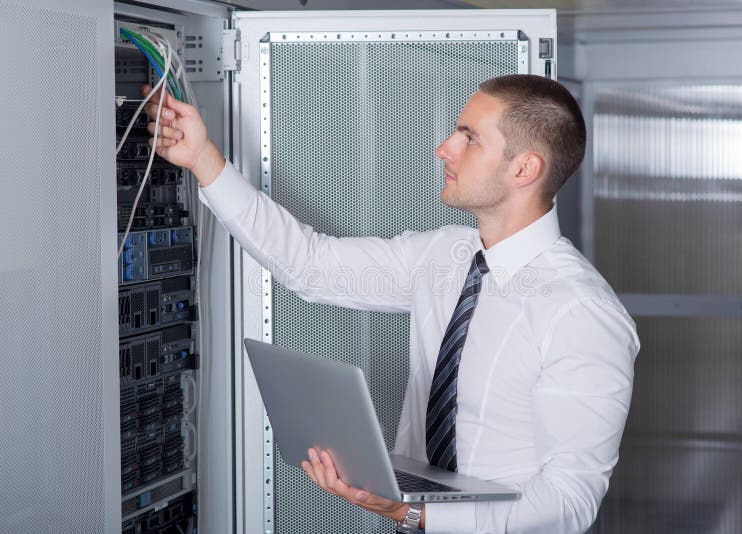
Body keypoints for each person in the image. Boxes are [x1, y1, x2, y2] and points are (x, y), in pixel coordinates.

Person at [143, 74, 640, 533]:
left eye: (469, 137)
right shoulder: (445, 254)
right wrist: (203, 159)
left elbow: (571, 500)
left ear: (525, 168)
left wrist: (414, 514)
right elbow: (311, 264)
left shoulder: (581, 313)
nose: (444, 148)